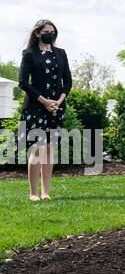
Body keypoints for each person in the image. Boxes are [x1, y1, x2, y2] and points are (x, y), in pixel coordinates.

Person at [17, 19, 72, 202]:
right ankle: (33, 193)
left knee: (49, 149)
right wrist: (44, 101)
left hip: (56, 107)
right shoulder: (29, 54)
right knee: (38, 149)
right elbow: (23, 82)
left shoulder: (61, 53)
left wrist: (58, 101)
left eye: (53, 31)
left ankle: (46, 192)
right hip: (35, 107)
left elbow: (68, 82)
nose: (51, 34)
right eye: (47, 31)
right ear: (38, 33)